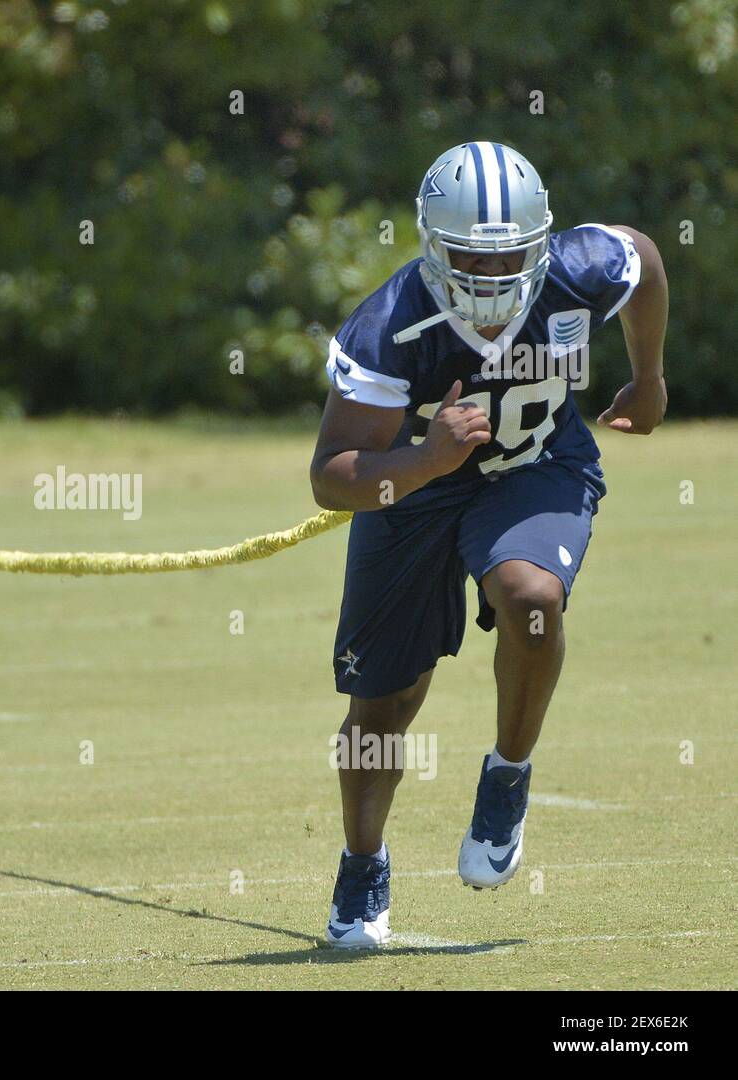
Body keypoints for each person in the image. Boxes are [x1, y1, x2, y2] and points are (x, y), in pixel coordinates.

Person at [310, 141, 668, 947]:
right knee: (385, 703)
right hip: (411, 494)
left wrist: (648, 378)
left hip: (536, 467)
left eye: (508, 253)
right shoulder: (391, 325)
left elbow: (642, 258)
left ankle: (507, 771)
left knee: (532, 595)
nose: (491, 274)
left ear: (540, 240)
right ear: (433, 244)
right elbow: (332, 475)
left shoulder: (578, 270)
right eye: (471, 252)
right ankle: (362, 865)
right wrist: (425, 458)